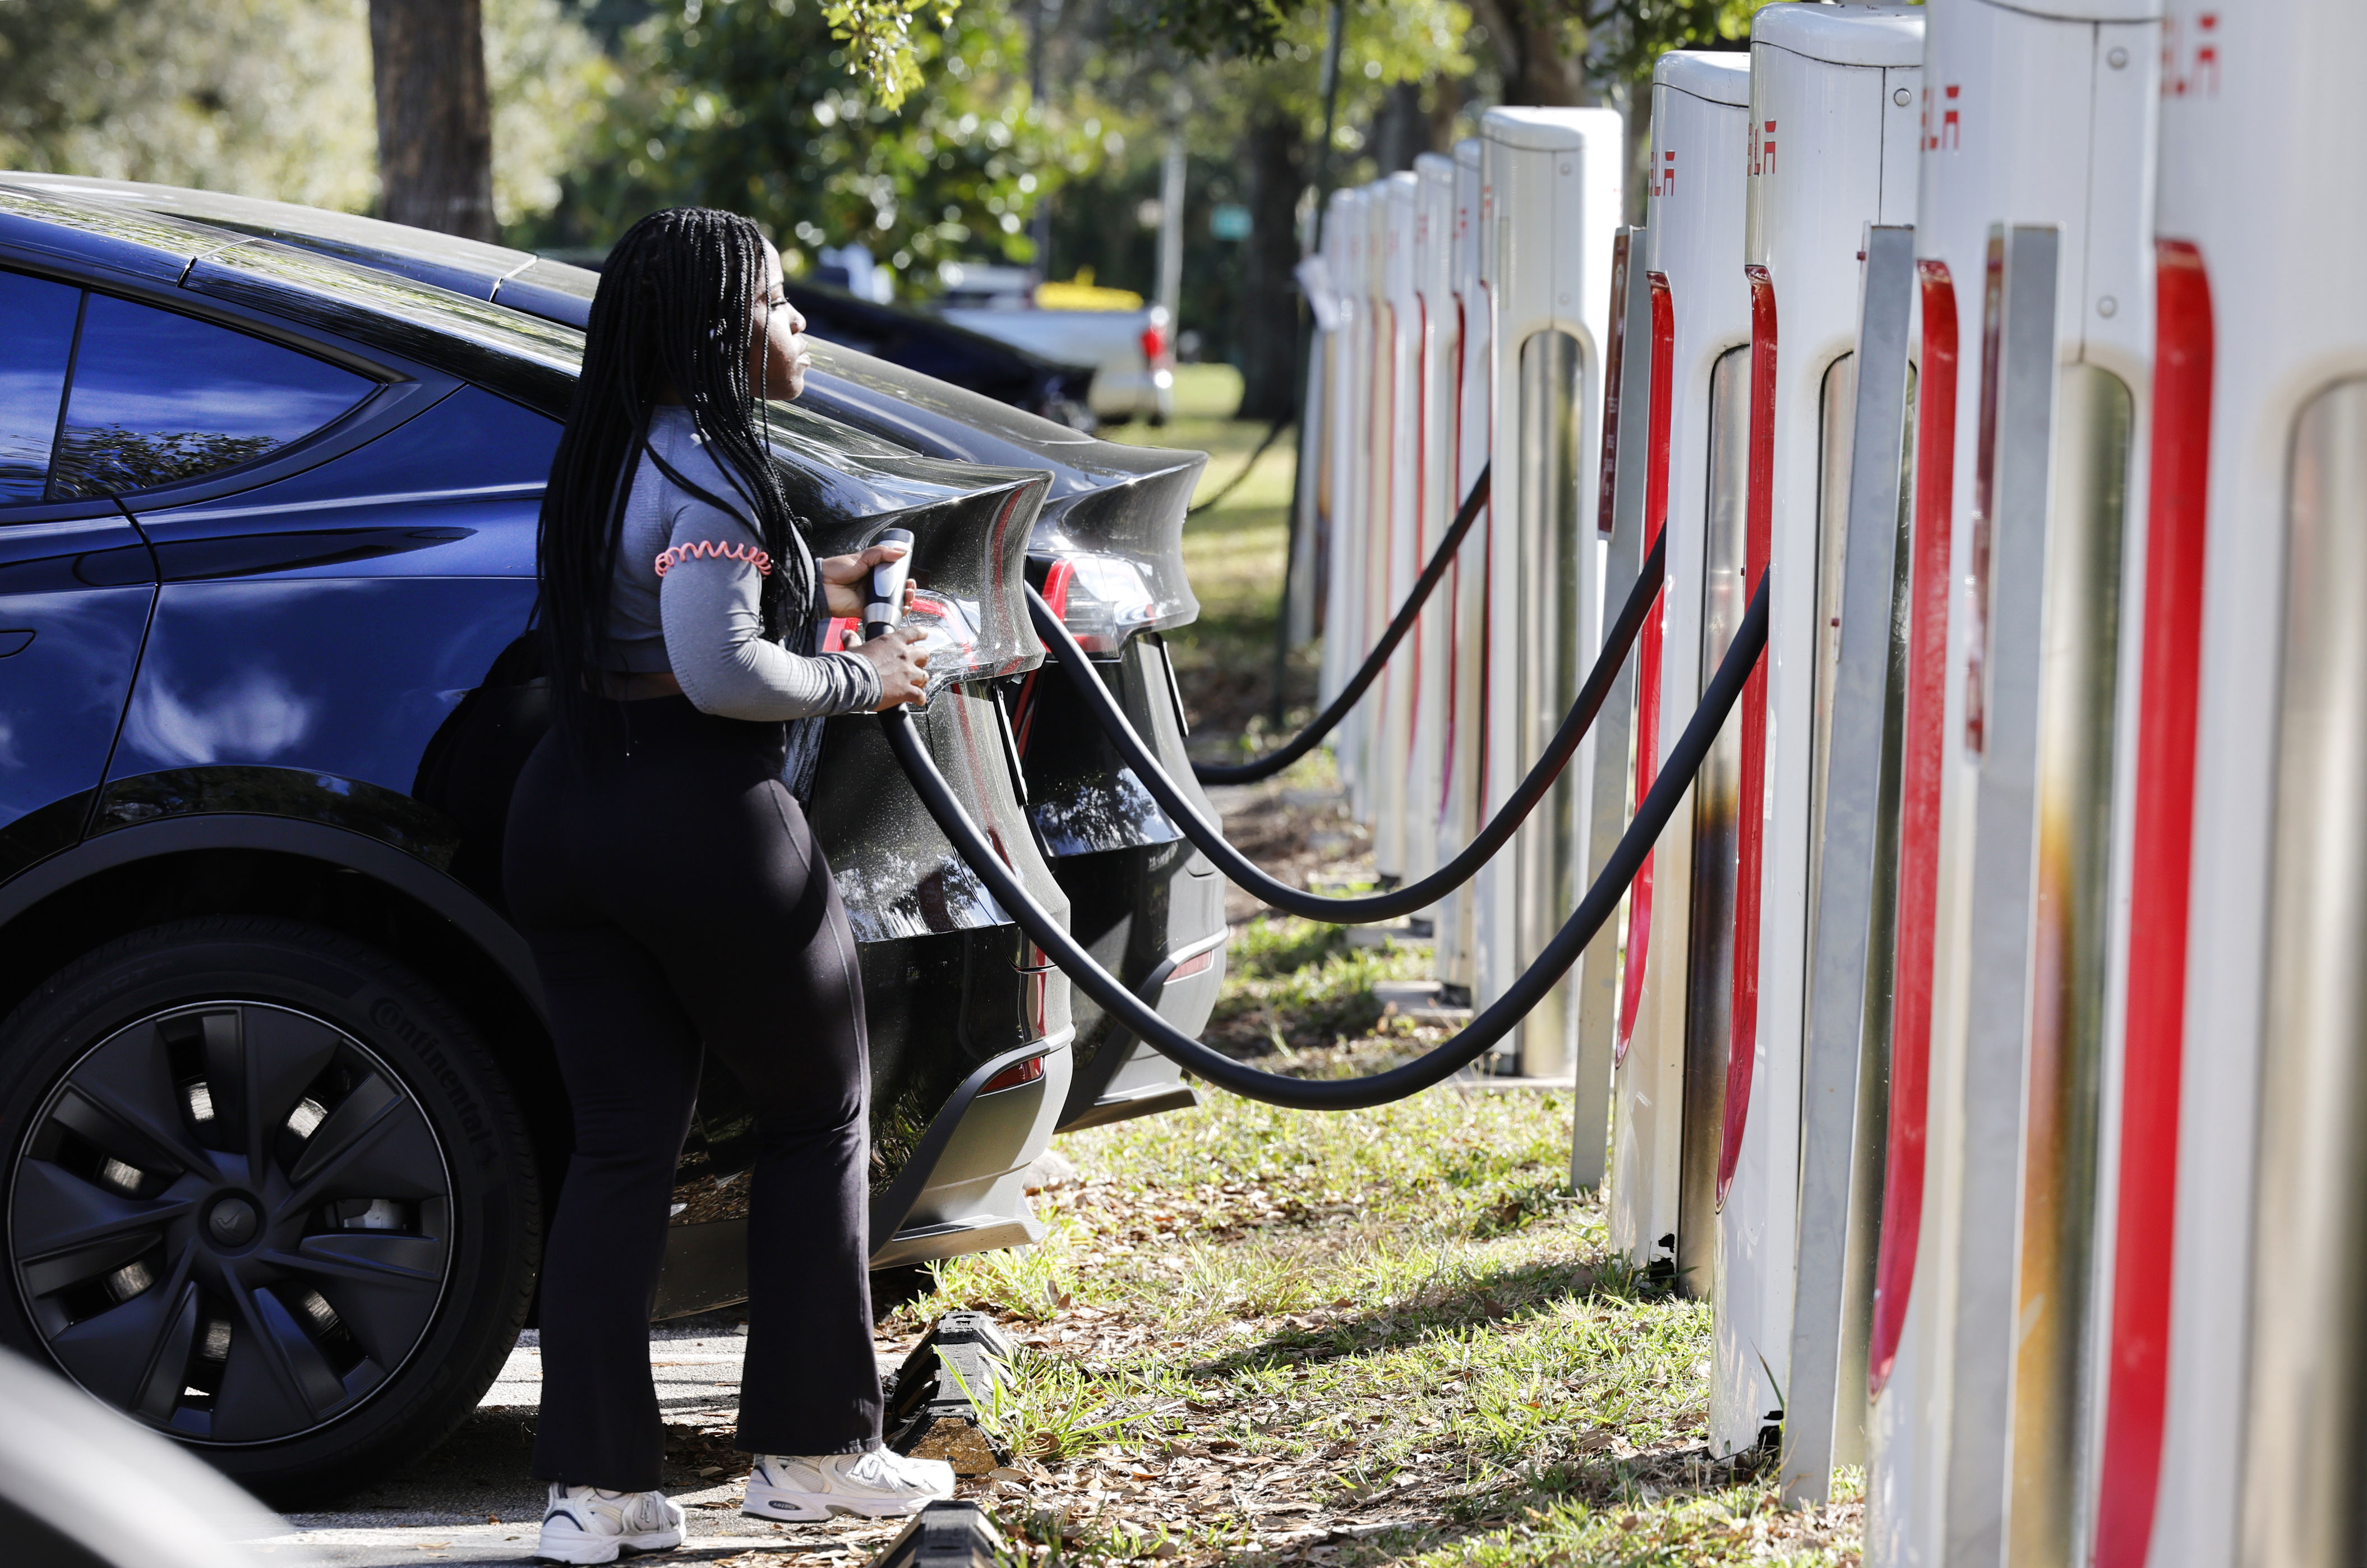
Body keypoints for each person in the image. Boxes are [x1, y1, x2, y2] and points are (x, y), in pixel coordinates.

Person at [503, 206, 954, 1566]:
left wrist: (828, 582)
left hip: (568, 811)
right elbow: (720, 673)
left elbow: (681, 609)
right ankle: (814, 1454)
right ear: (719, 327)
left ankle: (593, 1493)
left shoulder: (608, 454)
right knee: (817, 1109)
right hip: (698, 813)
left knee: (623, 1142)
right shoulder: (707, 465)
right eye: (777, 302)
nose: (797, 325)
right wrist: (864, 676)